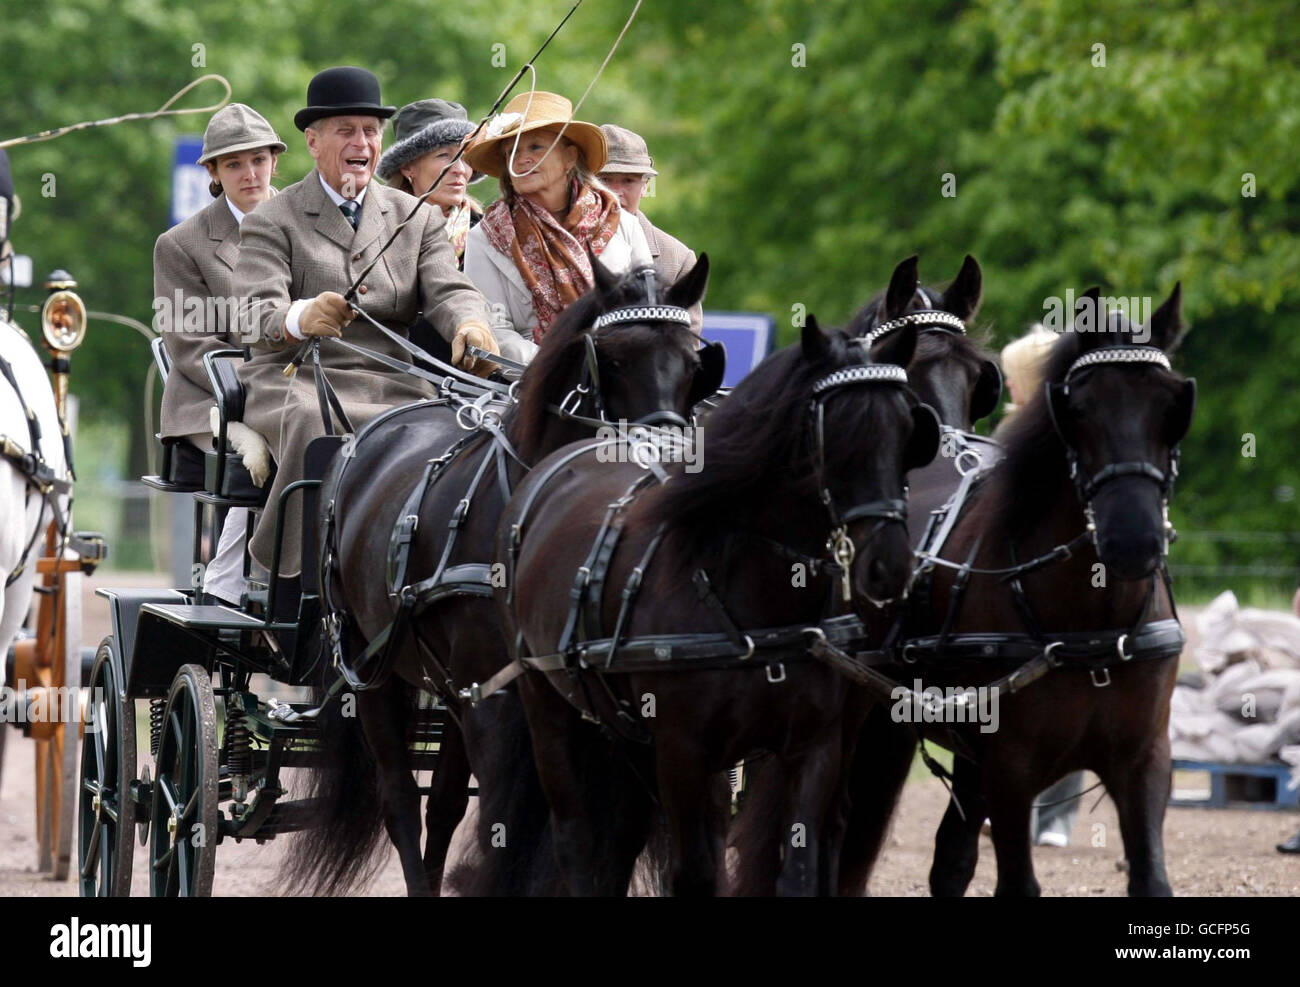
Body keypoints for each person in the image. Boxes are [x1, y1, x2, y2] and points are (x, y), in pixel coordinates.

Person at [234, 66, 494, 576]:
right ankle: (300, 584)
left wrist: (471, 324)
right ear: (312, 141)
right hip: (297, 378)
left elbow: (448, 288)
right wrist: (303, 315)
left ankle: (420, 569)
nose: (362, 142)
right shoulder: (273, 219)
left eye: (371, 131)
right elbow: (251, 315)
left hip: (393, 382)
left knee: (456, 431)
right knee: (316, 425)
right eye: (345, 130)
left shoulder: (414, 216)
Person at [152, 103, 286, 605]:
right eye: (234, 164)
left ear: (275, 159)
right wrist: (260, 391)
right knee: (282, 442)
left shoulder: (309, 223)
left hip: (302, 386)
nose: (250, 174)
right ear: (211, 172)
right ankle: (228, 584)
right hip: (211, 399)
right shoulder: (182, 245)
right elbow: (190, 346)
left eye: (258, 159)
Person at [462, 90, 652, 357]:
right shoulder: (484, 237)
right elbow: (494, 330)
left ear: (570, 157)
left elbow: (647, 312)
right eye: (511, 152)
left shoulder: (623, 224)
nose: (521, 158)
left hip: (619, 377)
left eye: (535, 146)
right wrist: (560, 367)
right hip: (531, 383)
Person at [997, 323, 1086, 847]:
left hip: (1057, 592)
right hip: (1014, 592)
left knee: (1069, 706)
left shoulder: (1063, 441)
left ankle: (1055, 820)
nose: (1008, 387)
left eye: (1014, 378)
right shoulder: (1005, 436)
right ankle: (1013, 809)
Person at [597, 123, 702, 333]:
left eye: (628, 180)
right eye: (605, 179)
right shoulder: (559, 242)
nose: (616, 193)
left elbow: (686, 346)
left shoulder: (678, 260)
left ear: (645, 186)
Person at [377, 98, 483, 267]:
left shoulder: (489, 235)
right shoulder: (378, 234)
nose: (460, 169)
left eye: (464, 156)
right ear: (407, 167)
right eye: (443, 155)